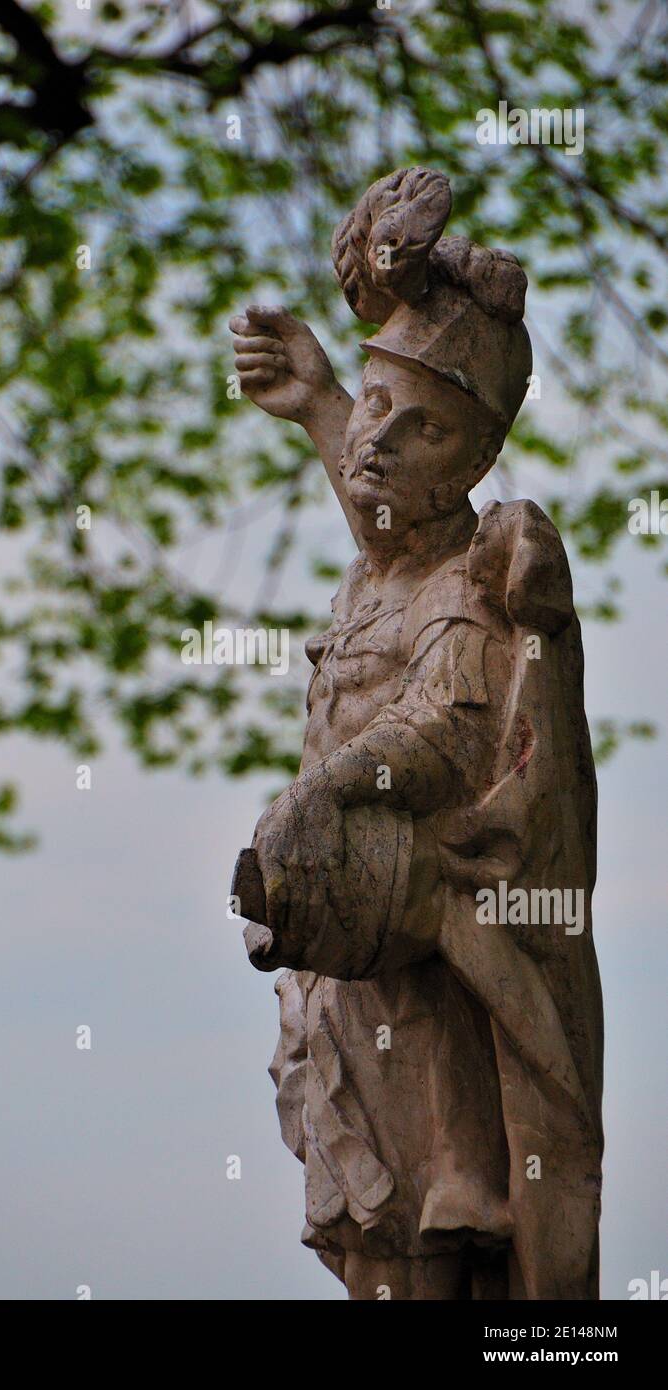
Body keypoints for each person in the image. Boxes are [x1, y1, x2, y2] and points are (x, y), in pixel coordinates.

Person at [229, 168, 603, 1301]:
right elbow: (379, 498)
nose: (377, 442)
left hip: (441, 984)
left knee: (436, 1240)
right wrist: (318, 398)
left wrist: (332, 787)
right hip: (352, 982)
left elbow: (439, 727)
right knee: (366, 1243)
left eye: (422, 425)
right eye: (378, 409)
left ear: (476, 463)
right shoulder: (382, 567)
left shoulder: (468, 585)